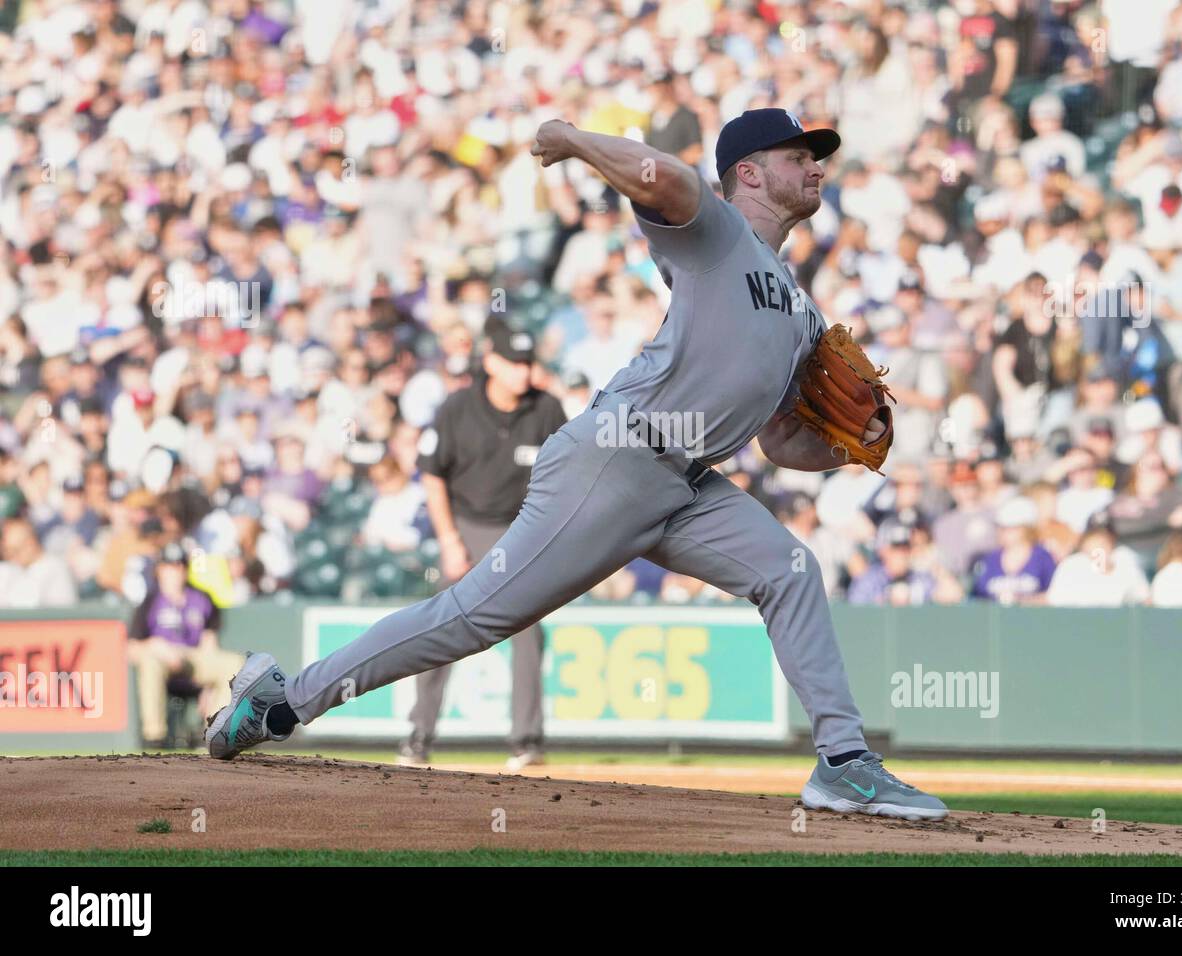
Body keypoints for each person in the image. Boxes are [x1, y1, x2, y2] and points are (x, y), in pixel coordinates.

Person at [205, 109, 949, 822]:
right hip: (618, 458)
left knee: (789, 570)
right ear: (748, 174)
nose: (816, 165)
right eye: (799, 155)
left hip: (686, 486)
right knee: (472, 618)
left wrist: (854, 442)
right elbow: (661, 178)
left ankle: (843, 762)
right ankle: (281, 699)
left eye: (816, 155)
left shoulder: (800, 309)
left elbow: (781, 445)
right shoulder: (716, 232)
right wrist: (573, 139)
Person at [402, 319, 567, 771]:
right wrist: (450, 540)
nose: (523, 371)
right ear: (491, 362)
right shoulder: (457, 408)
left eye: (528, 362)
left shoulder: (547, 408)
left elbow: (568, 472)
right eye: (514, 362)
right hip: (469, 528)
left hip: (523, 531)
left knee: (529, 632)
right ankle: (419, 735)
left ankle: (527, 740)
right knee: (444, 628)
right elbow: (432, 475)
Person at [128, 543, 245, 748]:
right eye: (170, 565)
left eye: (181, 565)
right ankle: (154, 736)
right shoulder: (150, 601)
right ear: (160, 569)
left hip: (193, 659)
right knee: (149, 661)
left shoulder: (202, 598)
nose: (177, 570)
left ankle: (214, 731)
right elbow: (131, 649)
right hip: (161, 657)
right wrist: (157, 647)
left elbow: (210, 646)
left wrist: (209, 686)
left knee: (236, 663)